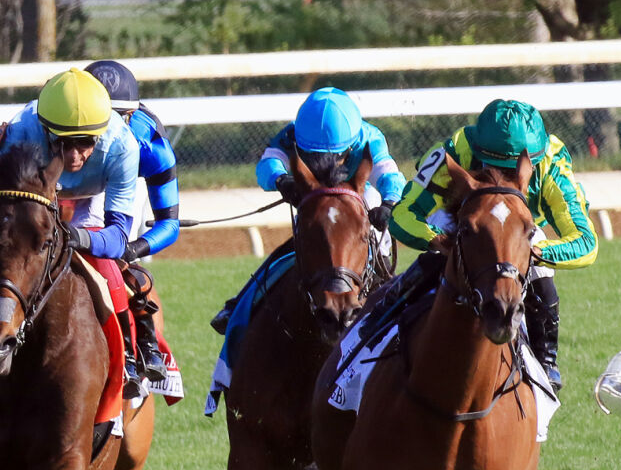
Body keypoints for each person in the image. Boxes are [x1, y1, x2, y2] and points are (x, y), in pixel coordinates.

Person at [0, 68, 143, 389]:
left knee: (108, 268)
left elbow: (117, 237)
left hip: (88, 208)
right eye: (63, 144)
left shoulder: (123, 146)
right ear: (45, 131)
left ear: (101, 135)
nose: (75, 155)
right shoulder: (20, 132)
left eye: (85, 143)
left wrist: (73, 236)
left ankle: (131, 354)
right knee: (2, 263)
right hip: (30, 210)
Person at [388, 98, 595, 391]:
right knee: (442, 256)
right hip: (461, 218)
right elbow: (402, 213)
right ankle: (381, 318)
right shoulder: (457, 149)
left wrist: (536, 252)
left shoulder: (552, 163)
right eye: (497, 169)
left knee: (539, 257)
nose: (506, 180)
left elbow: (586, 241)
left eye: (515, 172)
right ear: (478, 153)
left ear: (534, 162)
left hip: (518, 229)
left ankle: (546, 360)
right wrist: (440, 241)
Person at [210, 86, 406, 335]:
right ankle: (239, 303)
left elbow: (390, 176)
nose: (323, 161)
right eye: (312, 155)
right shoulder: (292, 134)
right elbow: (267, 164)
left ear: (350, 145)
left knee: (377, 229)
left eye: (334, 155)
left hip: (356, 199)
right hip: (316, 201)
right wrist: (282, 181)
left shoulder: (370, 138)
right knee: (299, 243)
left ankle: (392, 293)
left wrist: (388, 204)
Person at [83, 59, 180, 380]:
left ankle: (142, 344)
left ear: (130, 116)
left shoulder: (151, 147)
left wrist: (133, 249)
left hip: (122, 188)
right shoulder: (58, 126)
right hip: (67, 180)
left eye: (117, 119)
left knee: (110, 251)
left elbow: (169, 224)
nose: (108, 129)